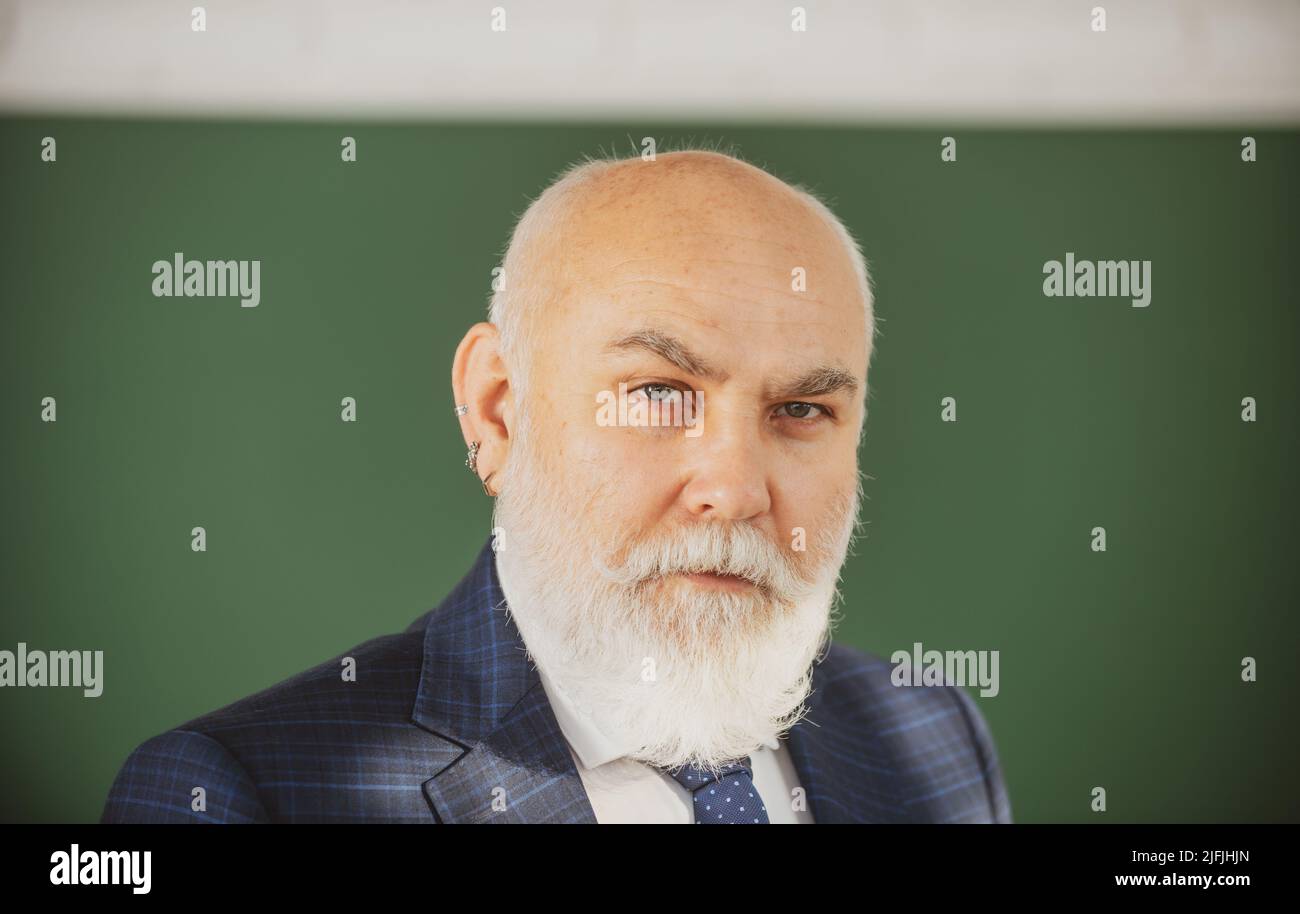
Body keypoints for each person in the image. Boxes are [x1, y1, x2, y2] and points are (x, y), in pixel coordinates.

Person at [102, 149, 1011, 823]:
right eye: (659, 393)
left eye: (803, 411)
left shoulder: (932, 740)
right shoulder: (236, 793)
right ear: (497, 414)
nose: (734, 492)